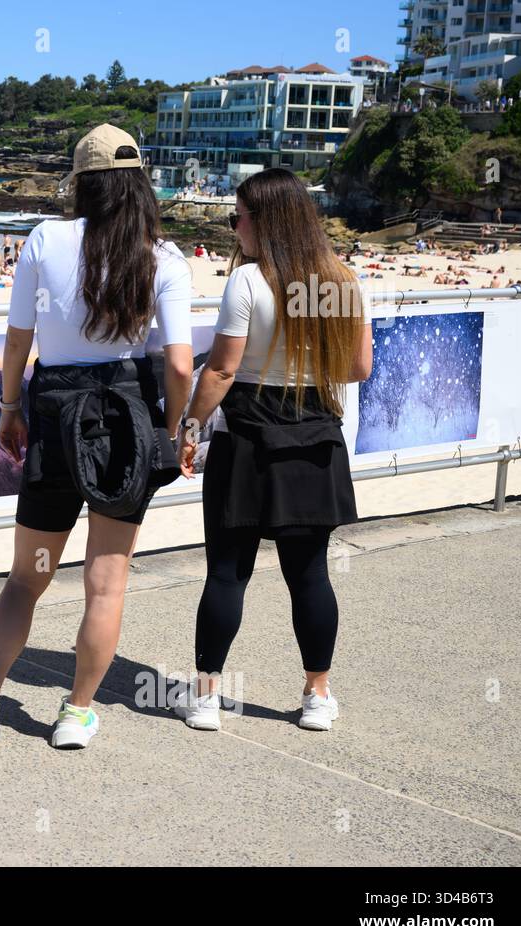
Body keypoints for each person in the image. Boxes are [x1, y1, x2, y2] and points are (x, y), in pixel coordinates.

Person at [0, 124, 194, 750]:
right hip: (127, 416)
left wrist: (8, 406)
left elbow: (18, 341)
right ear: (139, 183)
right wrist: (171, 432)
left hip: (55, 412)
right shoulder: (164, 256)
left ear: (81, 182)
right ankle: (76, 715)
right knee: (107, 582)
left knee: (27, 577)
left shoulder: (46, 238)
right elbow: (182, 365)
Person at [174, 168, 373, 734]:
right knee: (310, 575)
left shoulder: (247, 282)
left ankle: (209, 698)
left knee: (227, 573)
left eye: (238, 216)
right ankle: (316, 697)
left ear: (264, 219)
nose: (235, 227)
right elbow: (359, 368)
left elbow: (223, 368)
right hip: (314, 435)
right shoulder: (341, 279)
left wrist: (190, 427)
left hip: (248, 436)